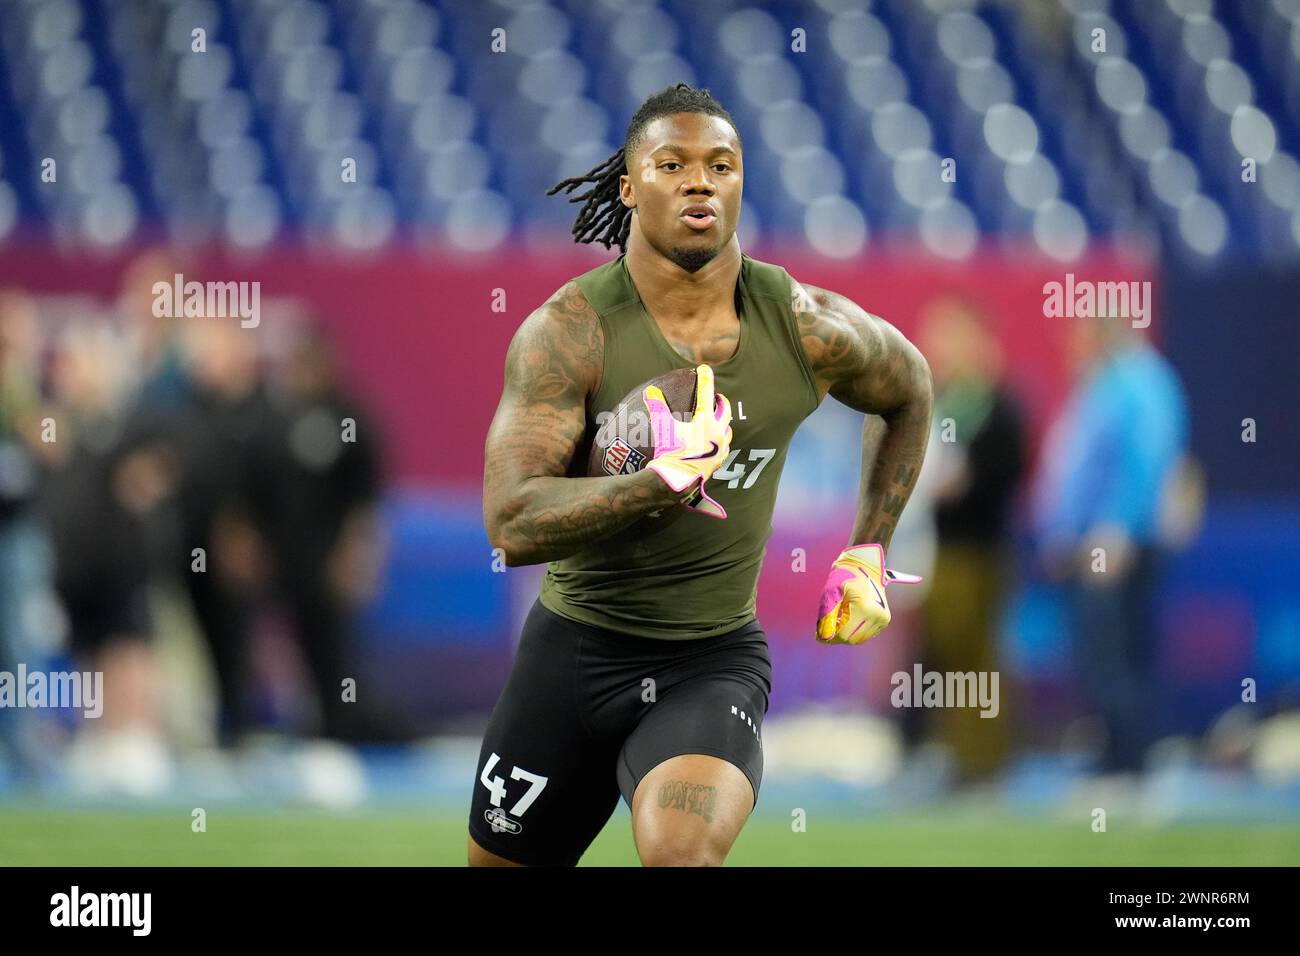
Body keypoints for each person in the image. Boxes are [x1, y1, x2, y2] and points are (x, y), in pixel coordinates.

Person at [470, 84, 933, 866]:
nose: (699, 182)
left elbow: (911, 390)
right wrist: (657, 485)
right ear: (628, 185)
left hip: (709, 662)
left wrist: (869, 550)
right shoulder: (567, 334)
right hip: (572, 657)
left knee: (681, 854)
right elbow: (510, 523)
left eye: (721, 165)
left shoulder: (806, 328)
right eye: (672, 163)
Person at [1030, 309, 1189, 774]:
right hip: (1089, 542)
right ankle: (1113, 750)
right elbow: (1076, 470)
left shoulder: (1140, 381)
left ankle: (1128, 759)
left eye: (1080, 338)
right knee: (1100, 652)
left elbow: (1145, 462)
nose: (1072, 349)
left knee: (1115, 652)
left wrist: (1115, 530)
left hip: (1114, 543)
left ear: (1102, 333)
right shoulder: (1100, 384)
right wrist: (1060, 533)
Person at [910, 296, 1027, 783]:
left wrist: (969, 481)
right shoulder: (939, 400)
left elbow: (1012, 467)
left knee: (976, 655)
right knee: (940, 653)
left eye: (949, 335)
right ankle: (950, 752)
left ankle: (984, 762)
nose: (938, 347)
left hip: (977, 548)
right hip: (935, 548)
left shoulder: (996, 403)